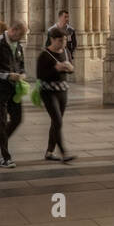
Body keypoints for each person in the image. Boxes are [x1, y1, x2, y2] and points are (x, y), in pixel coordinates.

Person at [0, 21, 28, 167]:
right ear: (14, 30)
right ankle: (3, 157)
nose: (21, 38)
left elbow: (20, 64)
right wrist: (7, 75)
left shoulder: (18, 45)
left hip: (13, 88)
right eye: (21, 35)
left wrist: (21, 74)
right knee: (1, 121)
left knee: (18, 118)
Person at [38, 27, 75, 162]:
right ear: (52, 39)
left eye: (64, 40)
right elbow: (40, 75)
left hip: (62, 90)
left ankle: (49, 152)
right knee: (58, 121)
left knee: (56, 123)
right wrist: (55, 69)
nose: (63, 43)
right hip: (48, 91)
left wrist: (70, 69)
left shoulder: (66, 51)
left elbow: (71, 67)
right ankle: (64, 153)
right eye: (60, 41)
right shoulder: (44, 55)